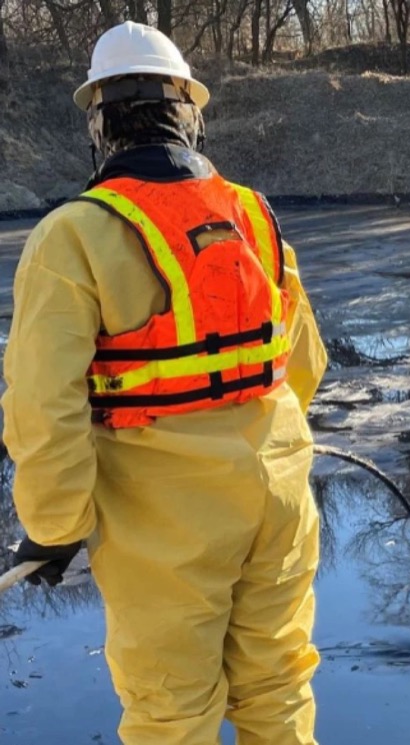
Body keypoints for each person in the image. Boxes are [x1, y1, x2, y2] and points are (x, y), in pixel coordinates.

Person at [1, 21, 327, 745]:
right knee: (278, 690)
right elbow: (301, 364)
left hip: (168, 525)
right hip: (280, 498)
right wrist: (260, 448)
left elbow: (41, 406)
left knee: (171, 716)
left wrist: (55, 528)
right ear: (191, 113)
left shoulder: (71, 238)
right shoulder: (252, 213)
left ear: (101, 125)